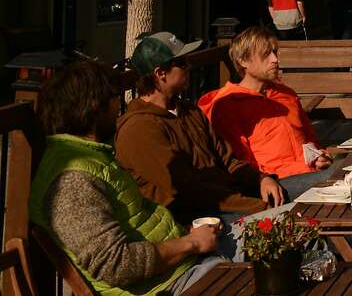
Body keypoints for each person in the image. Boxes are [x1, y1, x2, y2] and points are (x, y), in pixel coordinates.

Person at [30, 60, 224, 296]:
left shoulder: (92, 157)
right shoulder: (72, 179)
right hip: (168, 286)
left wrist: (188, 235)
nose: (118, 106)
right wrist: (192, 243)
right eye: (113, 97)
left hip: (179, 268)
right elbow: (117, 265)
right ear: (94, 106)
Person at [115, 32, 286, 245]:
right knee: (298, 221)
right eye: (181, 62)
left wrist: (261, 178)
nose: (189, 66)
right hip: (201, 221)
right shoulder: (139, 129)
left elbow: (228, 160)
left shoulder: (189, 111)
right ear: (160, 73)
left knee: (317, 190)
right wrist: (257, 207)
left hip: (233, 197)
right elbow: (188, 192)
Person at [199, 27, 341, 198]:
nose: (275, 60)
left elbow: (310, 140)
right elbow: (237, 163)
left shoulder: (286, 94)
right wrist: (264, 178)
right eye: (266, 54)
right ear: (243, 60)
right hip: (272, 183)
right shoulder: (228, 104)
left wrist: (318, 157)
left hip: (309, 173)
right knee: (339, 180)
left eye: (275, 52)